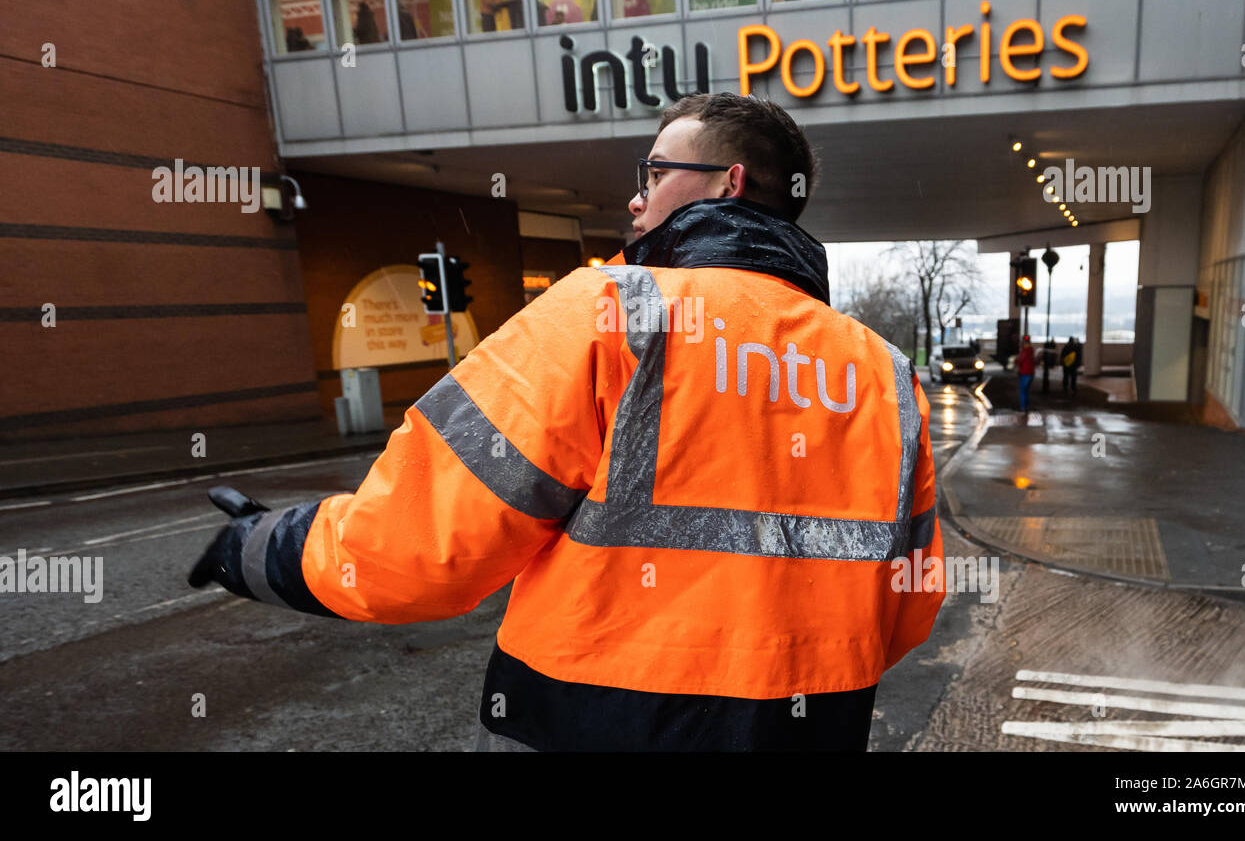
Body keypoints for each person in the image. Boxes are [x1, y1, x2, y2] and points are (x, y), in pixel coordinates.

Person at [186, 92, 943, 752]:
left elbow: (420, 548)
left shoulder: (610, 313)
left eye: (653, 172)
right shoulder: (885, 373)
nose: (635, 200)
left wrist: (258, 546)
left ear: (729, 182)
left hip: (592, 725)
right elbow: (908, 608)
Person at [1016, 335, 1035, 412]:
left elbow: (1020, 360)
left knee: (1023, 391)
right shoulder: (1032, 349)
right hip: (1031, 373)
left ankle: (1023, 407)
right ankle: (1026, 406)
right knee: (1026, 391)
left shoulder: (1024, 350)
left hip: (1024, 373)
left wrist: (1015, 361)